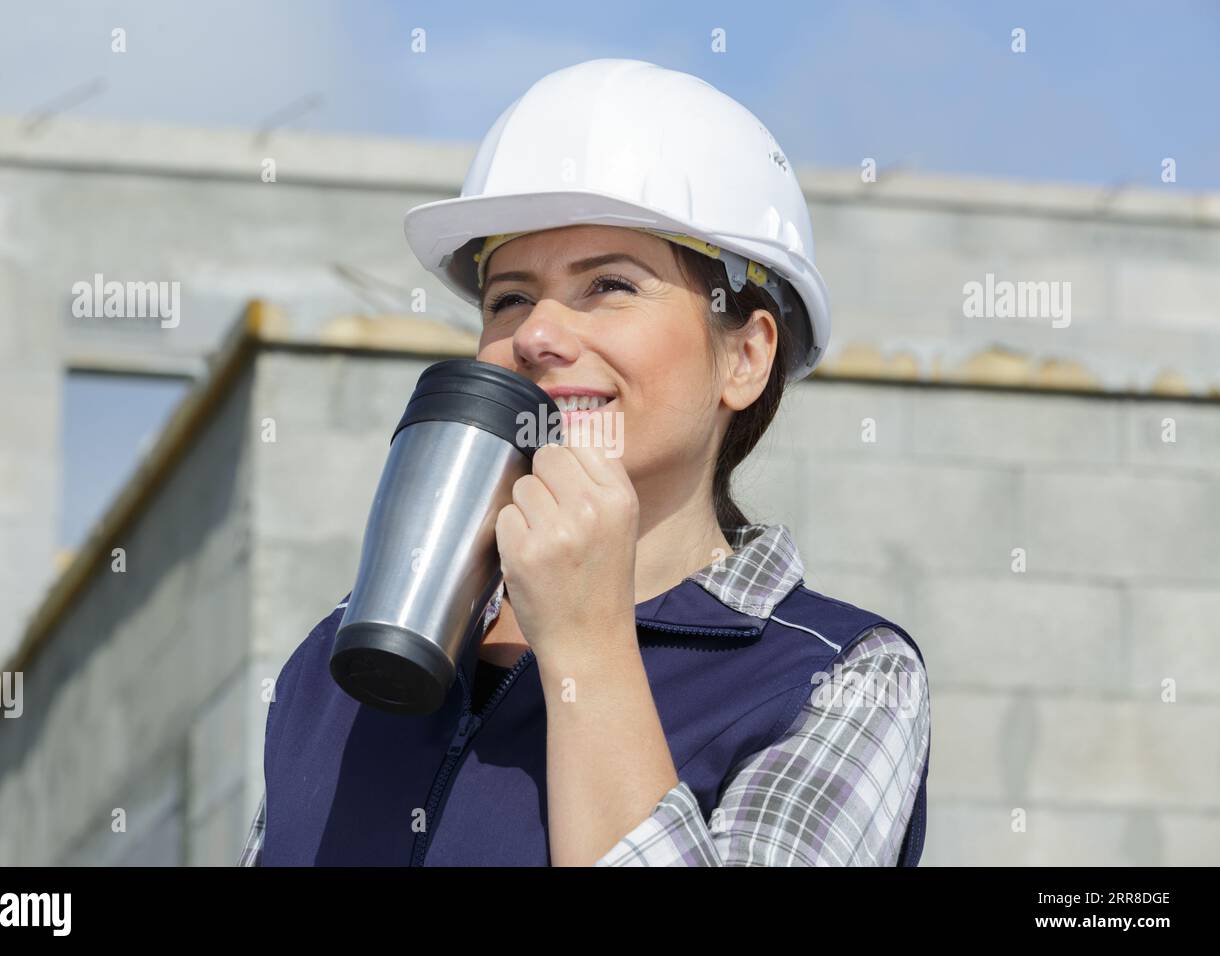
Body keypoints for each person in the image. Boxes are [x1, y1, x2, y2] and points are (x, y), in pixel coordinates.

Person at [239, 58, 929, 867]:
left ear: (745, 355)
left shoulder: (836, 678)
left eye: (608, 285)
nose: (538, 335)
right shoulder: (340, 663)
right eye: (510, 298)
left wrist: (589, 646)